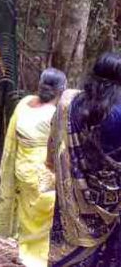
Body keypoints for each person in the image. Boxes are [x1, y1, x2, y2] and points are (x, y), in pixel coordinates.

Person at [48, 52, 121, 266]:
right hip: (112, 208)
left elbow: (53, 149)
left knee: (66, 256)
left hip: (72, 197)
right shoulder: (117, 115)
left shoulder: (68, 104)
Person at [0, 68, 67, 267]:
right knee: (43, 224)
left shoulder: (24, 103)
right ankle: (35, 261)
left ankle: (25, 254)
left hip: (21, 169)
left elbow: (12, 139)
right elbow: (61, 149)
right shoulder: (54, 115)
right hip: (44, 175)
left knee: (27, 217)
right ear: (61, 90)